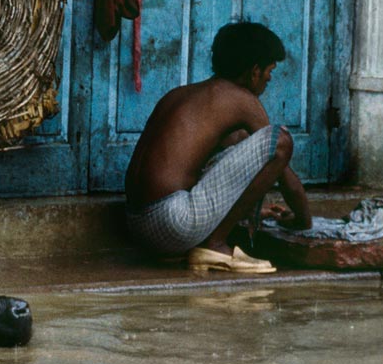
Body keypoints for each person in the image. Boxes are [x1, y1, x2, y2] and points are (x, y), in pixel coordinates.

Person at [124, 21, 312, 273]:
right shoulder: (240, 99)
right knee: (279, 141)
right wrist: (303, 220)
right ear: (254, 71)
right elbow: (283, 170)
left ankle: (207, 240)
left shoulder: (181, 94)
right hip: (172, 224)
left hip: (137, 226)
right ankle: (216, 245)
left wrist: (250, 210)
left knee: (240, 140)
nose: (269, 79)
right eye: (270, 71)